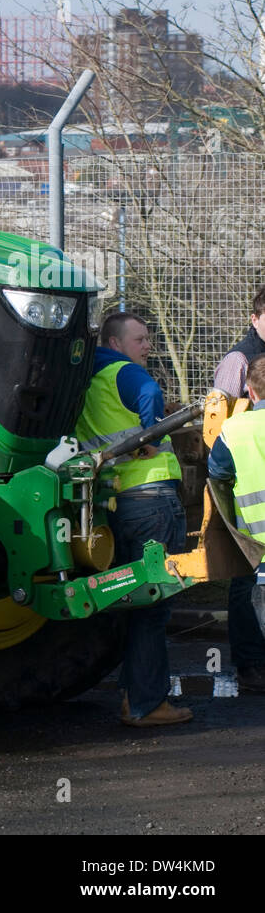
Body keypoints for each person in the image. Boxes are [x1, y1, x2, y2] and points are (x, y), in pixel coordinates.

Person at [75, 311, 192, 726]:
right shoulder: (126, 373)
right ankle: (146, 704)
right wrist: (153, 436)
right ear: (114, 342)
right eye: (140, 339)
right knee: (154, 602)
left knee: (132, 599)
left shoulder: (85, 382)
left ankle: (133, 697)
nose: (147, 347)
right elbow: (149, 393)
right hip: (152, 498)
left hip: (117, 502)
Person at [210, 289, 265, 693]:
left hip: (251, 511)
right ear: (255, 316)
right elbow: (218, 421)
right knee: (246, 588)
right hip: (249, 512)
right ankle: (250, 667)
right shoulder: (240, 360)